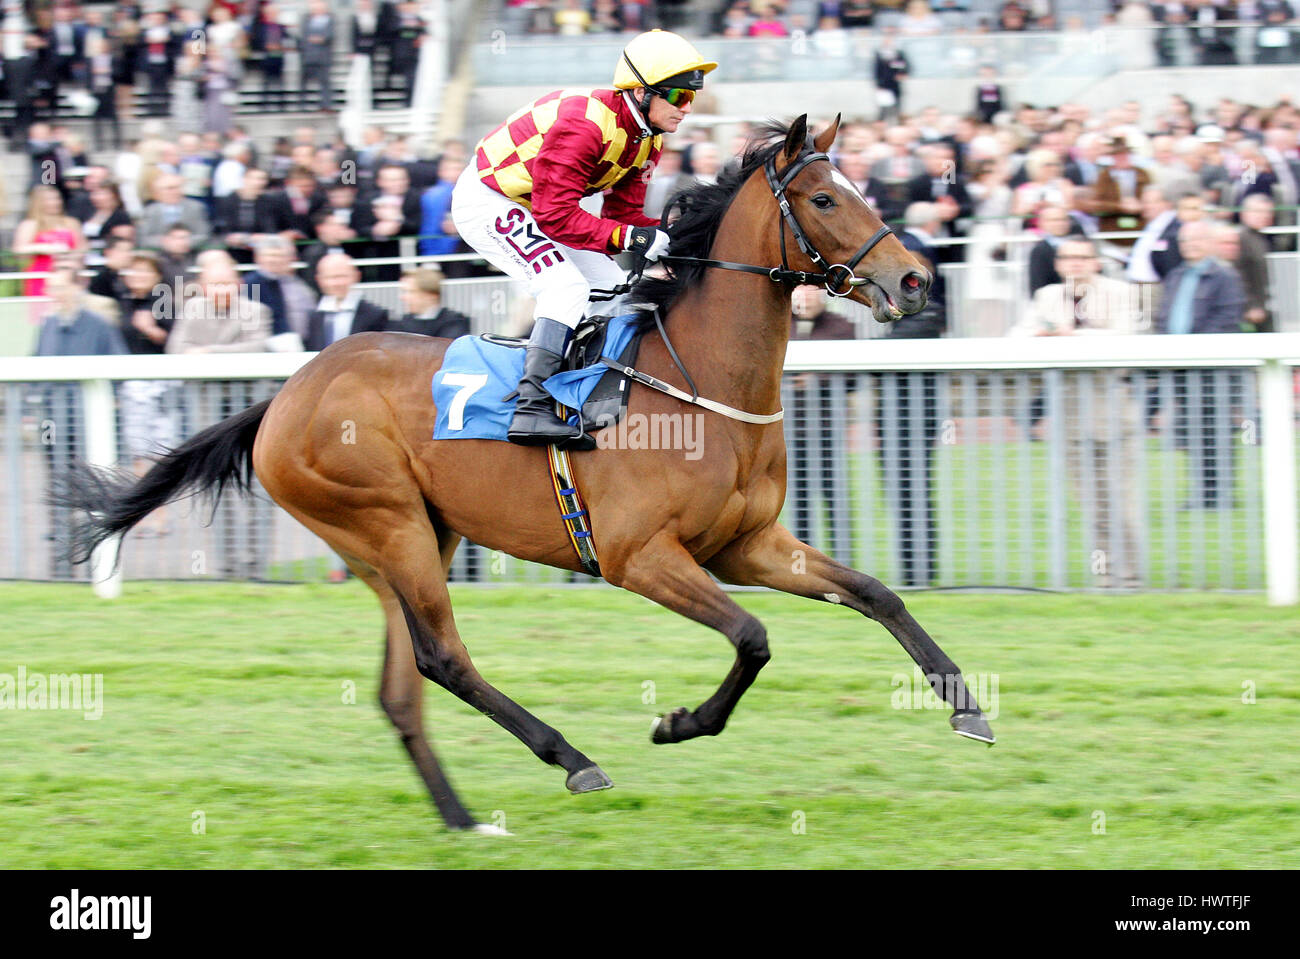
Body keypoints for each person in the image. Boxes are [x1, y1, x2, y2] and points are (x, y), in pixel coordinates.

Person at [451, 29, 714, 448]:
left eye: (691, 99)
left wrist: (678, 231)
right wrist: (635, 237)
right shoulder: (585, 124)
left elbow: (621, 217)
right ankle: (530, 406)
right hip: (490, 200)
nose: (686, 109)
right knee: (565, 285)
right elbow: (557, 216)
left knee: (613, 284)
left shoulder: (649, 138)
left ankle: (581, 386)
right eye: (680, 97)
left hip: (539, 206)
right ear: (642, 92)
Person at [1012, 236, 1144, 586]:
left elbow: (1128, 336)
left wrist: (1071, 338)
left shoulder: (1121, 292)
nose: (1075, 263)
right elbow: (1019, 336)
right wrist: (1042, 337)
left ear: (1096, 262)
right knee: (1092, 503)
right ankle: (1105, 575)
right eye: (1068, 258)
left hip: (1113, 407)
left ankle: (1130, 576)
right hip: (1070, 412)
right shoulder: (1047, 297)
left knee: (1121, 499)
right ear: (1058, 264)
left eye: (1082, 257)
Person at [1154, 220, 1246, 511]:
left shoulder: (1224, 276)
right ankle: (1201, 492)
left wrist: (1195, 346)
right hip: (1182, 366)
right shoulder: (1176, 275)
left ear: (1208, 242)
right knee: (1193, 431)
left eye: (1195, 241)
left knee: (1215, 430)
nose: (1188, 247)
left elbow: (1228, 318)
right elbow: (1165, 314)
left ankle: (1220, 493)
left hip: (1212, 365)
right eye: (1184, 242)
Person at [877, 202, 946, 587]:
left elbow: (888, 356)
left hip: (916, 418)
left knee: (913, 492)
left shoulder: (927, 313)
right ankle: (914, 571)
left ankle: (921, 571)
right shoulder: (905, 311)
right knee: (902, 494)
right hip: (895, 417)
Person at [787, 284, 856, 563]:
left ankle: (842, 560)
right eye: (799, 292)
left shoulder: (841, 327)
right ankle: (806, 560)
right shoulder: (781, 323)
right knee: (799, 498)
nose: (804, 297)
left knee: (834, 494)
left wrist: (815, 379)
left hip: (828, 428)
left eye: (811, 291)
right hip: (790, 430)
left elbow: (851, 374)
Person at [305, 253, 390, 350]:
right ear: (319, 280)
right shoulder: (313, 317)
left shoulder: (374, 315)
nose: (337, 283)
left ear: (356, 276)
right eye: (331, 277)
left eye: (342, 276)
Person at [13, 185, 84, 298]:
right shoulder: (30, 224)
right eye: (49, 199)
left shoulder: (71, 223)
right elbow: (19, 250)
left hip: (68, 274)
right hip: (41, 275)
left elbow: (81, 248)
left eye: (57, 198)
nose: (55, 202)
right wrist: (44, 248)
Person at [387, 266, 470, 338]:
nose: (402, 297)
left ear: (431, 295)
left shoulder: (455, 323)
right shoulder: (401, 324)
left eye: (411, 292)